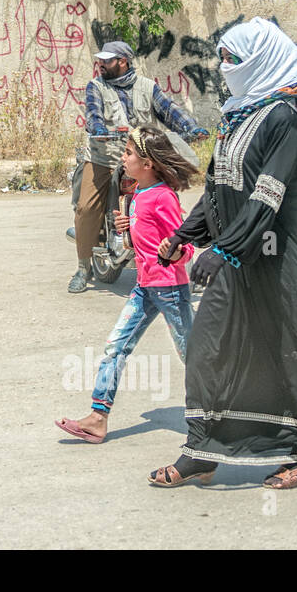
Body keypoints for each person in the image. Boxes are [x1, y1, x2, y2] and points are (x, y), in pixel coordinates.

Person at [148, 17, 297, 488]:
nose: (224, 66)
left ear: (261, 60)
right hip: (234, 257)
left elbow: (267, 195)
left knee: (287, 353)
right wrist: (185, 235)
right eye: (224, 58)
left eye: (233, 59)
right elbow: (218, 188)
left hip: (271, 262)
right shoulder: (238, 114)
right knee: (208, 351)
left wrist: (226, 251)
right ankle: (204, 449)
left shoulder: (284, 120)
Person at [56, 126, 199, 442]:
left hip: (171, 289)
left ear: (147, 164)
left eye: (129, 153)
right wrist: (128, 229)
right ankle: (97, 417)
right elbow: (141, 244)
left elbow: (185, 244)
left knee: (193, 354)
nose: (123, 157)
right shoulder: (136, 195)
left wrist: (174, 251)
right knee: (115, 347)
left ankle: (219, 414)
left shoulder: (163, 196)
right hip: (145, 287)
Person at [70, 41, 209, 294]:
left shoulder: (148, 87)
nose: (101, 64)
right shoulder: (96, 86)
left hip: (142, 157)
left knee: (167, 202)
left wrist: (191, 128)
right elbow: (93, 113)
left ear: (123, 61)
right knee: (86, 207)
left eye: (107, 61)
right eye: (100, 60)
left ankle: (183, 267)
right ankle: (82, 267)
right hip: (104, 154)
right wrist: (98, 128)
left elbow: (169, 111)